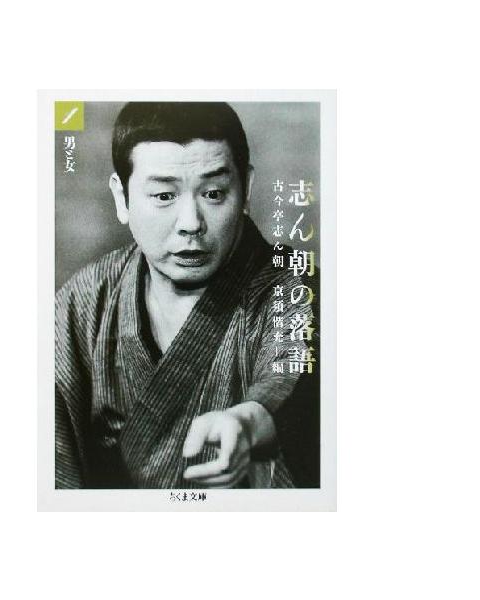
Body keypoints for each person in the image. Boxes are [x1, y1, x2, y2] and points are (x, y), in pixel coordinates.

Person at [55, 102, 319, 489]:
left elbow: (290, 378)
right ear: (122, 197)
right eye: (164, 196)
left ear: (246, 190)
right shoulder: (85, 301)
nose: (191, 223)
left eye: (213, 193)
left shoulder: (292, 288)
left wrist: (247, 423)